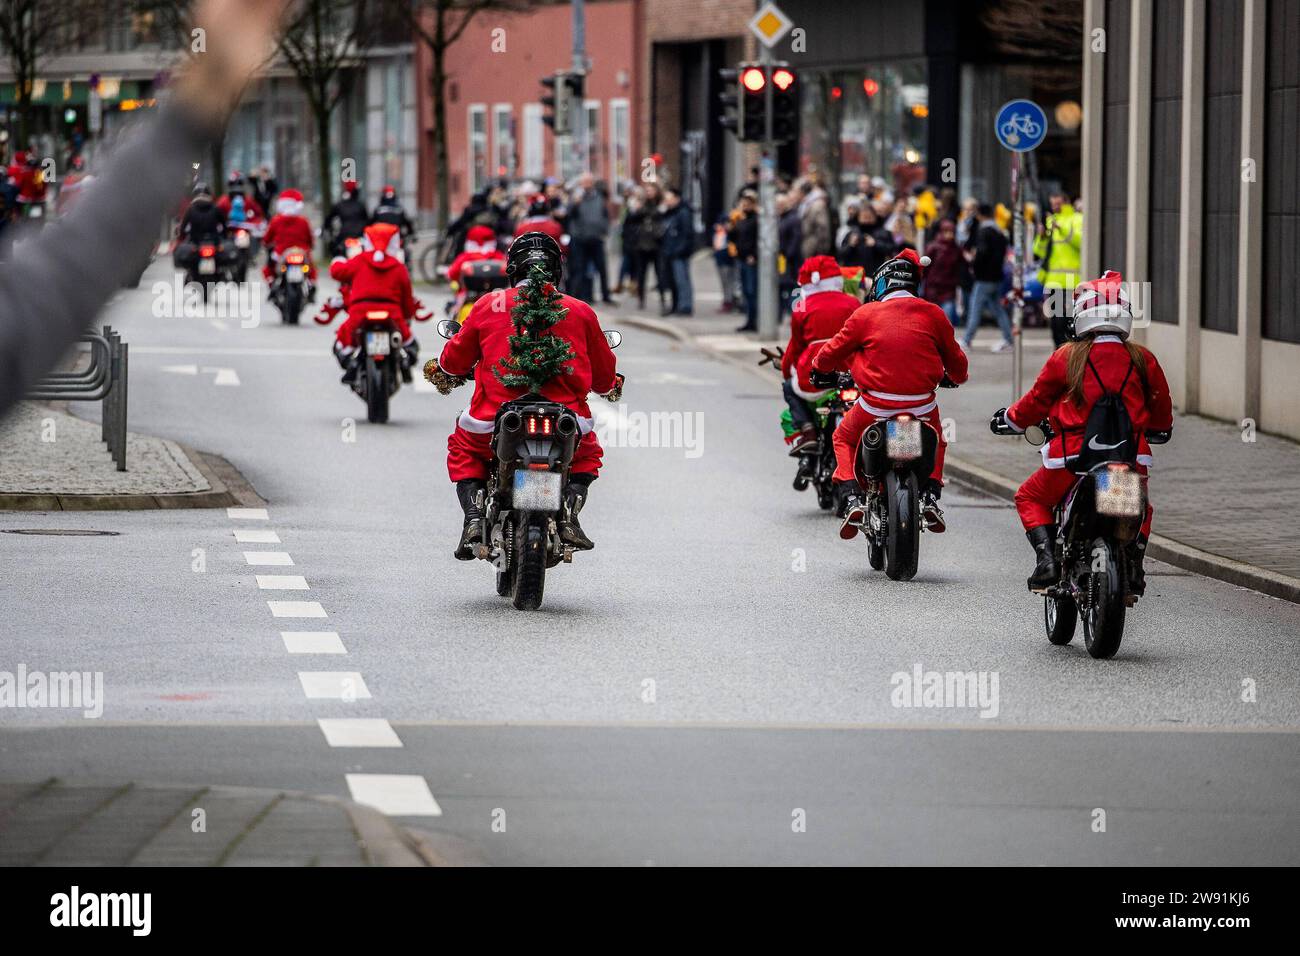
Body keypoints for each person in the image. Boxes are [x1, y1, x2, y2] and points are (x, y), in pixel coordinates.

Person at [0, 0, 293, 419]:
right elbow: (48, 292)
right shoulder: (210, 206)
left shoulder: (230, 206)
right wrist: (199, 101)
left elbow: (41, 296)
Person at [436, 232, 619, 557]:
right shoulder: (579, 311)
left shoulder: (488, 304)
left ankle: (475, 519)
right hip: (565, 421)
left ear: (512, 269)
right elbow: (604, 379)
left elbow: (454, 361)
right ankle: (570, 517)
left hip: (494, 418)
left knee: (464, 448)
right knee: (586, 455)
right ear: (556, 270)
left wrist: (446, 366)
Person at [993, 271, 1172, 594]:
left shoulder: (1067, 356)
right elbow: (1160, 403)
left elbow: (1037, 401)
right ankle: (1133, 564)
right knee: (1141, 508)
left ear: (1081, 315)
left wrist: (1012, 420)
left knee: (1030, 496)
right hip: (1129, 455)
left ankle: (1048, 561)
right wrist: (1160, 429)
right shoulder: (1142, 358)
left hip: (1073, 458)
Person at [812, 249, 969, 537]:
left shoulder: (865, 314)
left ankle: (850, 497)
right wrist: (954, 377)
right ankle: (931, 495)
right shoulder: (934, 313)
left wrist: (819, 369)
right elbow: (958, 365)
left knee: (843, 437)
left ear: (882, 284)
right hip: (922, 406)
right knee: (938, 440)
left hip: (875, 406)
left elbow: (830, 353)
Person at [780, 255, 861, 454]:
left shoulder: (802, 307)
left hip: (815, 374)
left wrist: (786, 369)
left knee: (790, 388)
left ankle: (808, 432)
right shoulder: (853, 303)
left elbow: (796, 347)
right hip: (851, 372)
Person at [330, 221, 419, 383]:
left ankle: (352, 364)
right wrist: (407, 317)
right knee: (410, 344)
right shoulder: (398, 267)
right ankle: (403, 364)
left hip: (359, 313)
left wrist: (338, 258)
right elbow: (407, 298)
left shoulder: (360, 260)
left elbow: (338, 272)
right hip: (392, 314)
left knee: (343, 341)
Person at [1034, 192, 1083, 347]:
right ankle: (1058, 352)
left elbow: (1081, 243)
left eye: (1058, 204)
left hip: (1072, 281)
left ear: (1066, 203)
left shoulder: (1077, 220)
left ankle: (1069, 352)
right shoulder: (1050, 221)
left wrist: (1061, 230)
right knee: (1055, 323)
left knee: (1068, 321)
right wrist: (1041, 237)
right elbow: (1039, 252)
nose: (1055, 208)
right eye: (1052, 204)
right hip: (1054, 281)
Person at [962, 203, 1012, 352]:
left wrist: (973, 263)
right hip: (996, 276)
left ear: (980, 215)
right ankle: (1008, 339)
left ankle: (967, 340)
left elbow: (982, 253)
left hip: (984, 277)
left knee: (975, 307)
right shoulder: (999, 231)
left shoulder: (984, 232)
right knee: (998, 309)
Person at [567, 172, 613, 304]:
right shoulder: (576, 197)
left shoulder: (599, 196)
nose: (586, 185)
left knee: (601, 268)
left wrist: (604, 230)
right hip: (580, 238)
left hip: (596, 237)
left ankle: (606, 295)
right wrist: (575, 204)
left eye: (589, 182)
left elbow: (604, 215)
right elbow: (569, 214)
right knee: (581, 269)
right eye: (584, 182)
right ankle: (584, 296)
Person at [262, 188, 316, 287]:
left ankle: (271, 282)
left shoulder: (276, 221)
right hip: (302, 252)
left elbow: (267, 238)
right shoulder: (303, 221)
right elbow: (310, 239)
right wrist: (311, 246)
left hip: (280, 252)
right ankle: (311, 283)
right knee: (310, 267)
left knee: (270, 268)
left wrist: (266, 243)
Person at [659, 187, 694, 317]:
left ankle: (685, 306)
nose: (667, 202)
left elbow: (686, 234)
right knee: (672, 281)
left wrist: (680, 250)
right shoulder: (670, 212)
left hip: (679, 253)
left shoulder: (683, 213)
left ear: (676, 199)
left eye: (669, 199)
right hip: (669, 252)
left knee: (682, 280)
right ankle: (675, 306)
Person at [921, 218, 963, 326]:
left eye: (952, 232)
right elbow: (925, 268)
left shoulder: (956, 249)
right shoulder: (933, 247)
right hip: (933, 288)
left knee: (946, 320)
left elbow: (960, 268)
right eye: (947, 232)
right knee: (930, 319)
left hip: (949, 289)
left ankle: (945, 342)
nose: (950, 235)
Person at [728, 189, 759, 331]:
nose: (745, 206)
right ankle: (749, 320)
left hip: (750, 259)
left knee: (751, 291)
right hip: (741, 258)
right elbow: (733, 236)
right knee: (746, 291)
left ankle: (754, 320)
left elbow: (758, 240)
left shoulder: (756, 220)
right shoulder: (741, 219)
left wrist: (754, 255)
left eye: (747, 204)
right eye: (743, 203)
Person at [324, 179, 369, 256]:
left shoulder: (340, 205)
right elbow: (367, 221)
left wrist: (328, 229)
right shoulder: (361, 205)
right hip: (359, 237)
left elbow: (328, 219)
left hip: (345, 237)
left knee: (338, 255)